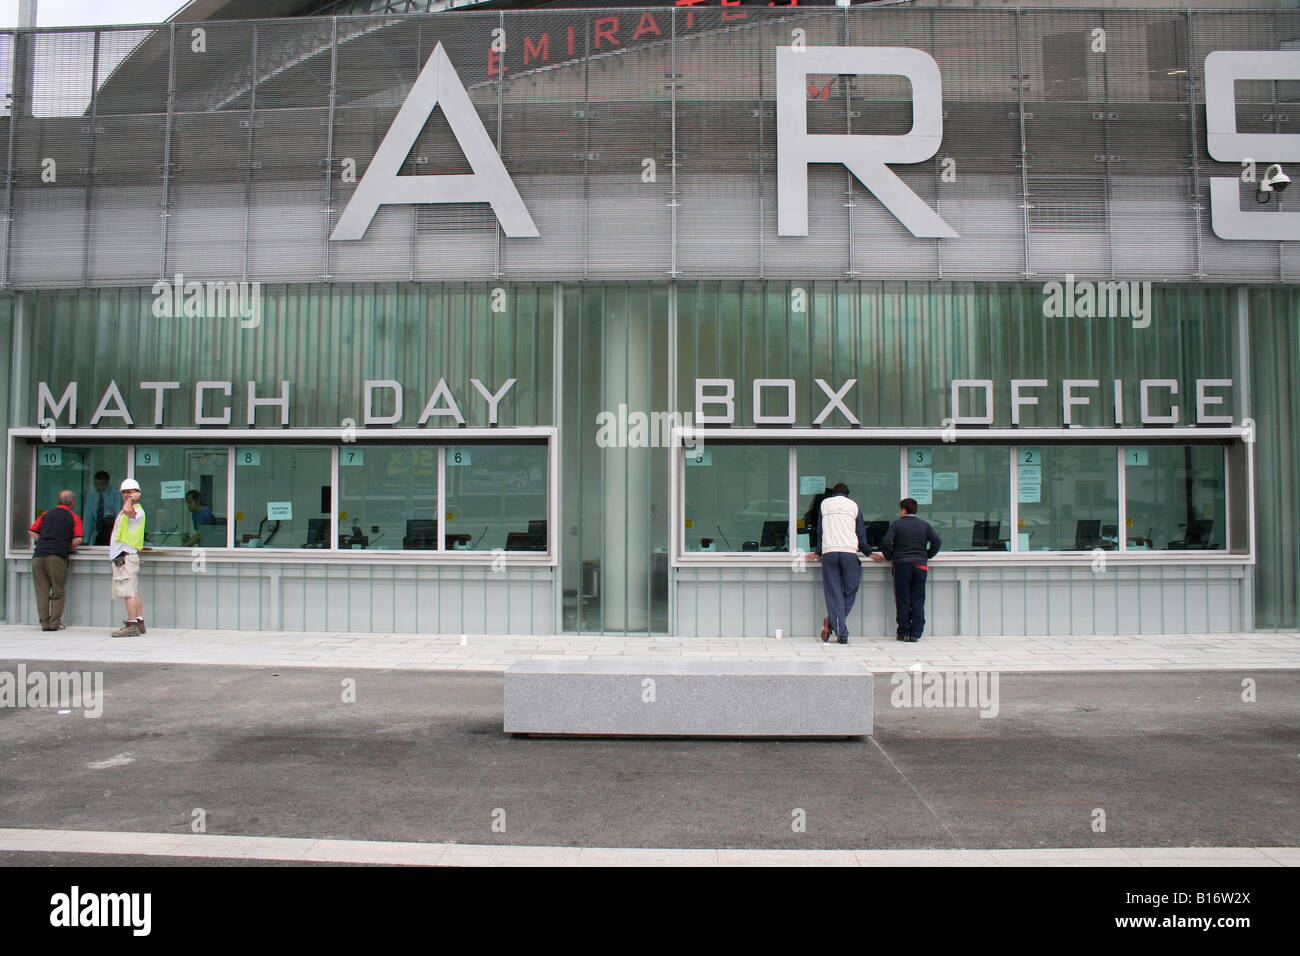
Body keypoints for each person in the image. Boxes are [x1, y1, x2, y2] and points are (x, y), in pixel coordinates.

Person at [809, 482, 871, 645]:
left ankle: (833, 622)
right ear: (847, 494)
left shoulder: (825, 504)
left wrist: (818, 551)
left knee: (833, 592)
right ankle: (841, 632)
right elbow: (860, 533)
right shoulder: (853, 506)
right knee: (851, 588)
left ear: (833, 494)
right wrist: (869, 552)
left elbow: (820, 531)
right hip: (849, 552)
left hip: (829, 552)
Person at [873, 497, 942, 642]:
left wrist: (889, 555)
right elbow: (937, 541)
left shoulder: (897, 525)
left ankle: (903, 631)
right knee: (918, 598)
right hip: (920, 565)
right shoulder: (924, 525)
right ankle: (915, 633)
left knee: (903, 598)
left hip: (902, 565)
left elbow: (886, 541)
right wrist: (927, 555)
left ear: (903, 510)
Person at [29, 490, 85, 631]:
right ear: (72, 503)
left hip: (38, 556)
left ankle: (44, 623)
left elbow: (32, 531)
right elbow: (78, 538)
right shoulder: (74, 517)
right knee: (58, 591)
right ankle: (54, 623)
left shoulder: (46, 514)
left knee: (42, 592)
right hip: (57, 557)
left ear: (58, 500)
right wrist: (64, 545)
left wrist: (42, 541)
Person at [108, 478, 148, 638]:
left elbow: (127, 510)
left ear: (137, 494)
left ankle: (132, 624)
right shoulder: (131, 509)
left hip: (126, 557)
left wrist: (132, 499)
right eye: (124, 492)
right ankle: (138, 621)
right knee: (133, 590)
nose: (125, 495)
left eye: (129, 492)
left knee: (128, 592)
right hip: (125, 556)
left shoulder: (136, 511)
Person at [82, 471, 122, 547]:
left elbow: (119, 516)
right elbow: (88, 518)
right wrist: (86, 539)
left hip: (111, 530)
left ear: (107, 483)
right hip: (97, 532)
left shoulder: (116, 495)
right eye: (96, 484)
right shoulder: (91, 496)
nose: (98, 487)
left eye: (101, 484)